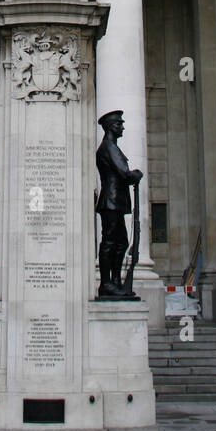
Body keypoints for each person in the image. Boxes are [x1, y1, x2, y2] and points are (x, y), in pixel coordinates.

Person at [95, 110, 142, 299]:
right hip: (111, 203)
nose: (122, 127)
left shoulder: (112, 146)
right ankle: (107, 283)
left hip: (116, 203)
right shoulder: (109, 147)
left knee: (120, 242)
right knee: (110, 241)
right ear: (110, 127)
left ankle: (115, 281)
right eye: (118, 124)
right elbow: (125, 173)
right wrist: (136, 174)